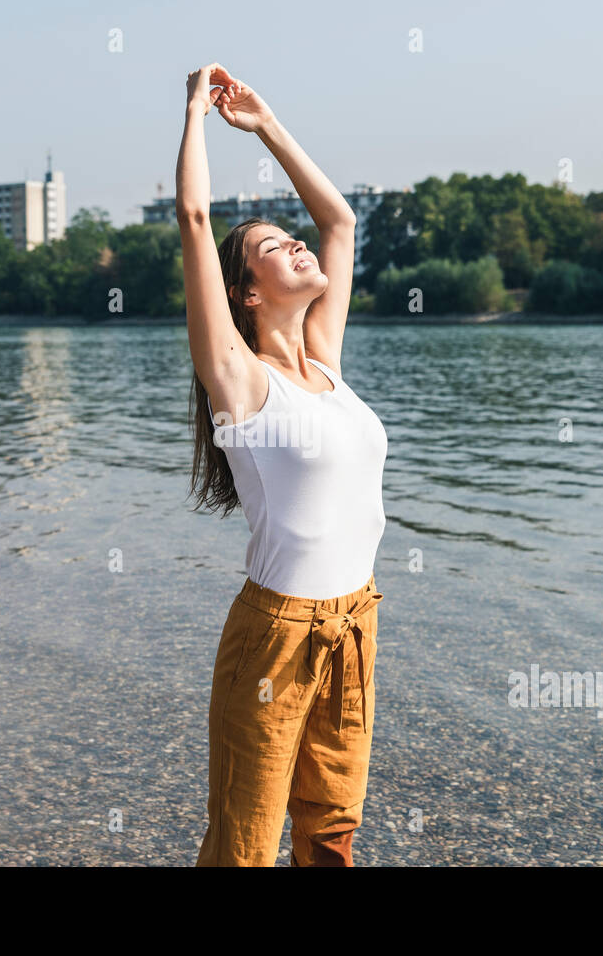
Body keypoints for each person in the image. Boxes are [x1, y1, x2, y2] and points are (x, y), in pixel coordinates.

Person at [177, 63, 389, 866]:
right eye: (272, 247)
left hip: (355, 625)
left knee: (331, 835)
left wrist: (266, 125)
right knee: (244, 846)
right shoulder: (239, 380)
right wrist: (196, 111)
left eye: (286, 235)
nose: (296, 242)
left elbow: (339, 223)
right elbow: (195, 218)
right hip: (275, 638)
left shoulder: (326, 364)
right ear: (247, 295)